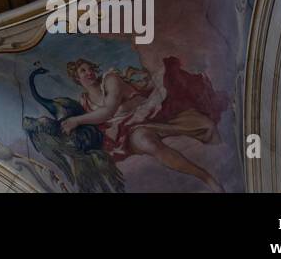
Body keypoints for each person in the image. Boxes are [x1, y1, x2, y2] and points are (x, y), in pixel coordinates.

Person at [59, 56, 226, 191]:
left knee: (206, 125)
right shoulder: (84, 101)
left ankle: (214, 173)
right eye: (83, 71)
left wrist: (76, 120)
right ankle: (206, 178)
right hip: (128, 130)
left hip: (153, 114)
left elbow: (108, 111)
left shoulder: (110, 79)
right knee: (147, 142)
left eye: (90, 68)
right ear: (76, 78)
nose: (89, 72)